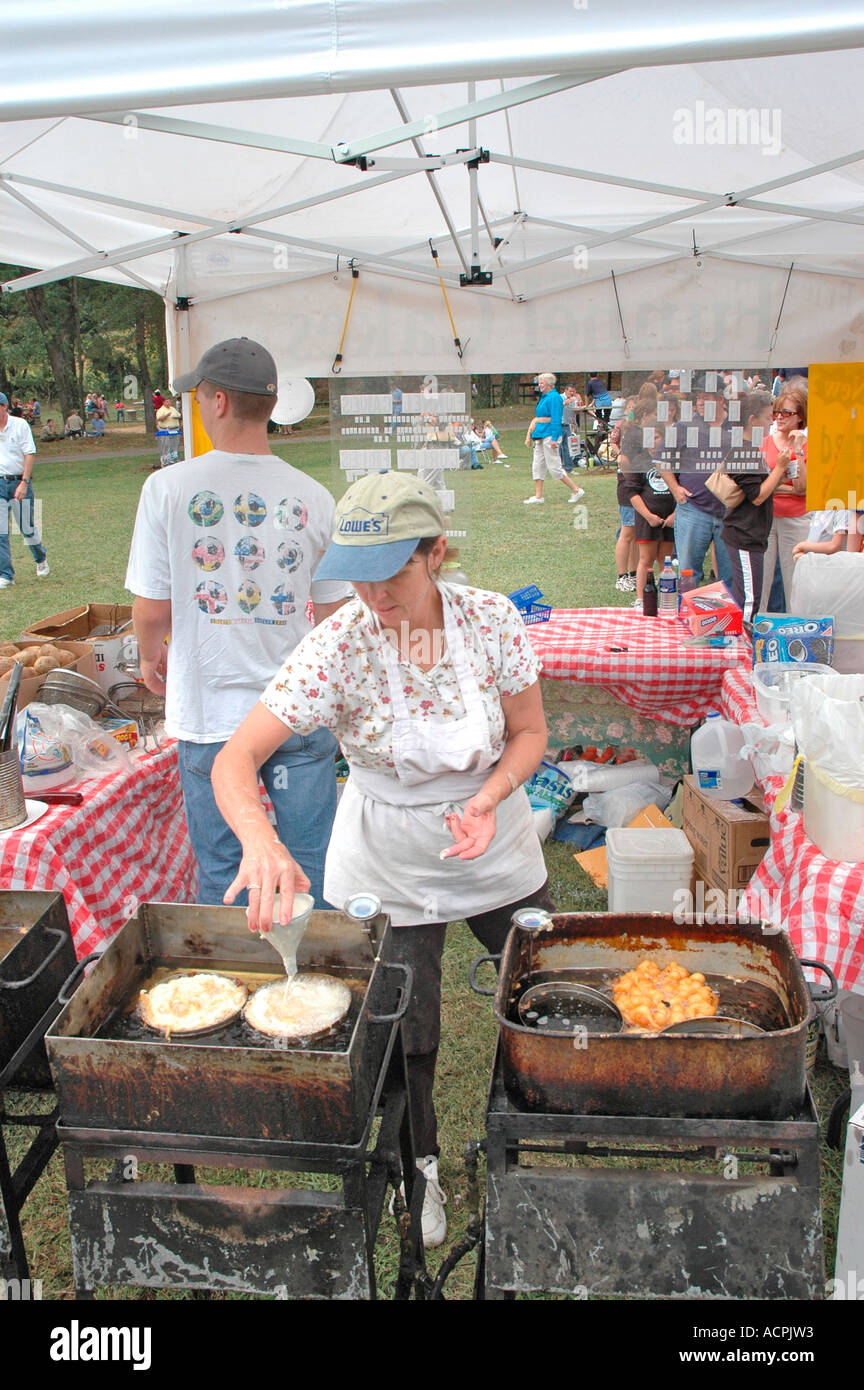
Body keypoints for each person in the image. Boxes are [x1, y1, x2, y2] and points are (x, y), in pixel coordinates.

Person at [210, 471, 554, 1246]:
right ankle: (417, 1168)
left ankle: (533, 1143)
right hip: (389, 851)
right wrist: (263, 842)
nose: (376, 598)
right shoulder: (337, 646)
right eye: (359, 577)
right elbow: (234, 761)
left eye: (393, 572)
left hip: (491, 834)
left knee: (544, 987)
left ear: (435, 552)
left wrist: (489, 796)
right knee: (407, 1023)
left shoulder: (491, 620)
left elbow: (529, 732)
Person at [125, 337, 352, 907]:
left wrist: (152, 656)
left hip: (212, 709)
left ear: (219, 401)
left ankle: (234, 982)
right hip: (296, 707)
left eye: (198, 397)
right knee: (310, 866)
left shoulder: (168, 488)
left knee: (225, 869)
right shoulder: (314, 496)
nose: (196, 407)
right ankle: (323, 979)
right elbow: (332, 616)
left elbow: (153, 608)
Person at [721, 391, 788, 629]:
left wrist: (778, 477)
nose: (772, 421)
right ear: (752, 420)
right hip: (744, 534)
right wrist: (779, 468)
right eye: (768, 416)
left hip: (750, 534)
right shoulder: (744, 452)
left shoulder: (750, 449)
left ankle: (739, 642)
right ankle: (744, 648)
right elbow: (757, 497)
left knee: (748, 595)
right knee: (750, 599)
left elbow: (760, 489)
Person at [758, 378, 809, 612]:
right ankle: (757, 626)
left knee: (795, 580)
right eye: (777, 412)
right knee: (763, 580)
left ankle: (795, 630)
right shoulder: (764, 443)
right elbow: (759, 487)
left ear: (800, 416)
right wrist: (782, 485)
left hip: (796, 518)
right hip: (766, 517)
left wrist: (797, 452)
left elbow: (803, 488)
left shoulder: (807, 445)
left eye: (786, 413)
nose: (779, 417)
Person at [0, 392, 50, 588]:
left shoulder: (20, 425)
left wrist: (24, 482)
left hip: (18, 481)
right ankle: (6, 574)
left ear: (4, 407)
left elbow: (29, 453)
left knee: (27, 528)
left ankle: (40, 558)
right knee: (1, 532)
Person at [524, 372, 585, 505]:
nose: (539, 385)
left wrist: (554, 438)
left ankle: (576, 490)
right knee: (537, 465)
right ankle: (538, 496)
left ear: (549, 384)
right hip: (540, 435)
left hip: (550, 435)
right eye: (539, 382)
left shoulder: (554, 397)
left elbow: (557, 419)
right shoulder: (545, 397)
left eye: (542, 382)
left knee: (554, 467)